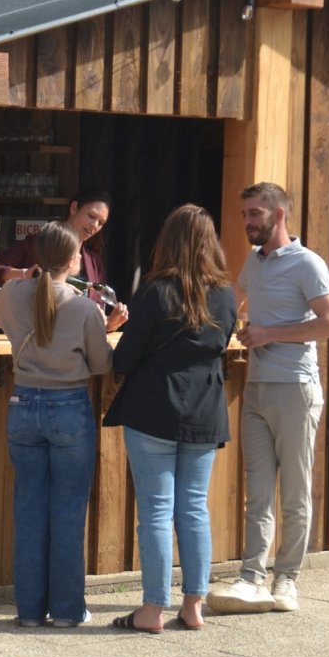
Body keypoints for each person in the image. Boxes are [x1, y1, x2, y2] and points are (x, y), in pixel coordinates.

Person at [206, 182, 329, 615]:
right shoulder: (254, 262)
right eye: (245, 214)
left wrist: (269, 333)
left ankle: (287, 580)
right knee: (258, 490)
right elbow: (233, 302)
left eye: (253, 215)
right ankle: (252, 578)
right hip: (258, 387)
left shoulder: (308, 264)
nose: (246, 222)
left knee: (295, 490)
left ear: (278, 214)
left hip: (296, 389)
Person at [103, 204, 237, 632]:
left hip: (153, 410)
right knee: (194, 508)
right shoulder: (226, 294)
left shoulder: (155, 291)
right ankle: (193, 605)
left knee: (157, 512)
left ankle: (152, 610)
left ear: (168, 240)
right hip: (205, 411)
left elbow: (125, 358)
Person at [0, 220, 122, 627]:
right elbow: (100, 364)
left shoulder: (12, 295)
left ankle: (28, 610)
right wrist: (106, 326)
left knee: (29, 510)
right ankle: (65, 610)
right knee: (67, 513)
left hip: (23, 403)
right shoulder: (83, 306)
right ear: (72, 260)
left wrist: (23, 278)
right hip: (69, 408)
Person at [0, 187, 113, 291]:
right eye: (91, 216)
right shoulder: (35, 244)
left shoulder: (95, 261)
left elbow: (97, 308)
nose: (95, 225)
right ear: (74, 208)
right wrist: (26, 274)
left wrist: (109, 323)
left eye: (101, 223)